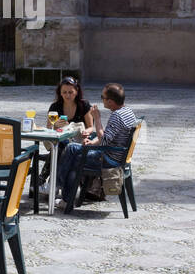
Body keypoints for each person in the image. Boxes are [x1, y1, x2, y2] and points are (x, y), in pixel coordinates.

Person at [56, 83, 138, 212]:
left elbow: (104, 140)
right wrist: (93, 143)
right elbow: (109, 137)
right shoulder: (127, 111)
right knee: (72, 148)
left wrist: (97, 118)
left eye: (102, 97)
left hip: (108, 159)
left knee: (73, 155)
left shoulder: (117, 116)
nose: (101, 100)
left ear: (110, 101)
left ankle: (59, 188)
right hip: (117, 155)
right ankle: (64, 195)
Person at [39, 77, 96, 186]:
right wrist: (55, 125)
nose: (67, 95)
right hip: (62, 140)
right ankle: (53, 183)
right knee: (60, 145)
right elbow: (48, 129)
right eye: (64, 92)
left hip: (79, 141)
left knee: (59, 148)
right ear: (60, 93)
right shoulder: (55, 107)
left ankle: (46, 179)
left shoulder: (83, 105)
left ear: (77, 91)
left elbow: (90, 127)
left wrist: (86, 132)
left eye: (71, 92)